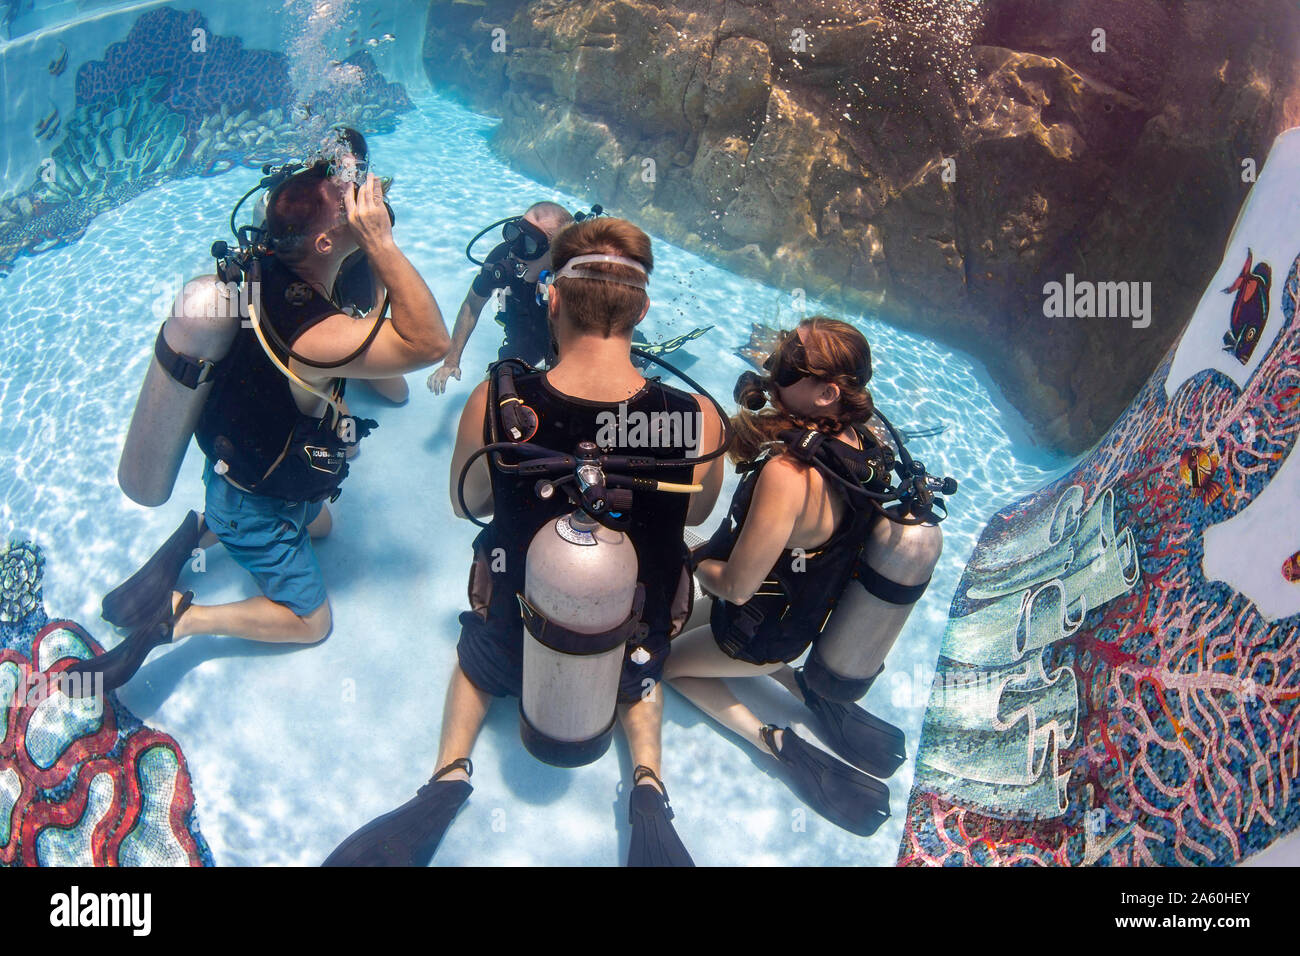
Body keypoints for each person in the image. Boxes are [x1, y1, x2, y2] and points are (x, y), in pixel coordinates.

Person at [325, 217, 726, 867]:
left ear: (552, 297)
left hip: (516, 628)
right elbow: (698, 509)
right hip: (633, 629)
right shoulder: (695, 416)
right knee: (640, 673)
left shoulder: (498, 398)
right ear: (642, 308)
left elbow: (465, 505)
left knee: (477, 659)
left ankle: (447, 778)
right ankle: (649, 787)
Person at [69, 163, 450, 694]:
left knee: (323, 529)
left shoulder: (264, 262)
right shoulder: (314, 335)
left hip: (243, 467)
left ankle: (197, 533)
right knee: (312, 623)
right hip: (256, 500)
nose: (361, 208)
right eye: (348, 209)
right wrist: (381, 243)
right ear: (322, 242)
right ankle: (179, 618)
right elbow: (430, 344)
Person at [665, 317, 920, 838]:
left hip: (762, 632)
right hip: (805, 614)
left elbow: (735, 586)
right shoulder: (863, 441)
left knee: (669, 665)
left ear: (827, 393)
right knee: (693, 620)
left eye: (787, 363)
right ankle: (803, 686)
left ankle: (771, 738)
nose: (772, 366)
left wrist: (691, 561)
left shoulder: (789, 475)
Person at [427, 202, 574, 392]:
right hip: (523, 337)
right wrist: (451, 361)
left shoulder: (573, 280)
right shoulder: (502, 257)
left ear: (556, 252)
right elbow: (472, 305)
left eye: (529, 244)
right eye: (514, 235)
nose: (515, 250)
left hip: (565, 343)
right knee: (493, 389)